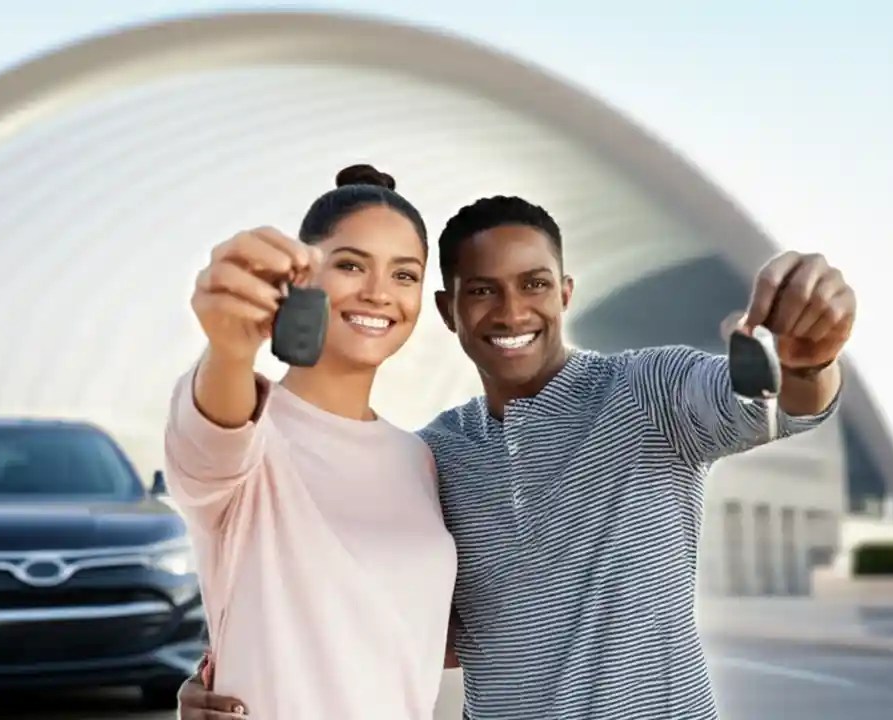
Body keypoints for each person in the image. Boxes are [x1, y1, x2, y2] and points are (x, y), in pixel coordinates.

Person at [178, 194, 854, 719]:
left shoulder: (649, 392)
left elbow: (768, 406)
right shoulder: (434, 456)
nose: (511, 311)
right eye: (482, 290)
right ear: (447, 309)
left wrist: (811, 358)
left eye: (533, 284)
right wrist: (229, 669)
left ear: (564, 292)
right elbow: (397, 619)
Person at [162, 164, 458, 719]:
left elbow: (398, 634)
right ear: (302, 279)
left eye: (405, 275)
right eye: (350, 265)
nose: (378, 294)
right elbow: (214, 435)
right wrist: (230, 349)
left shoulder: (418, 458)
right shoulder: (249, 431)